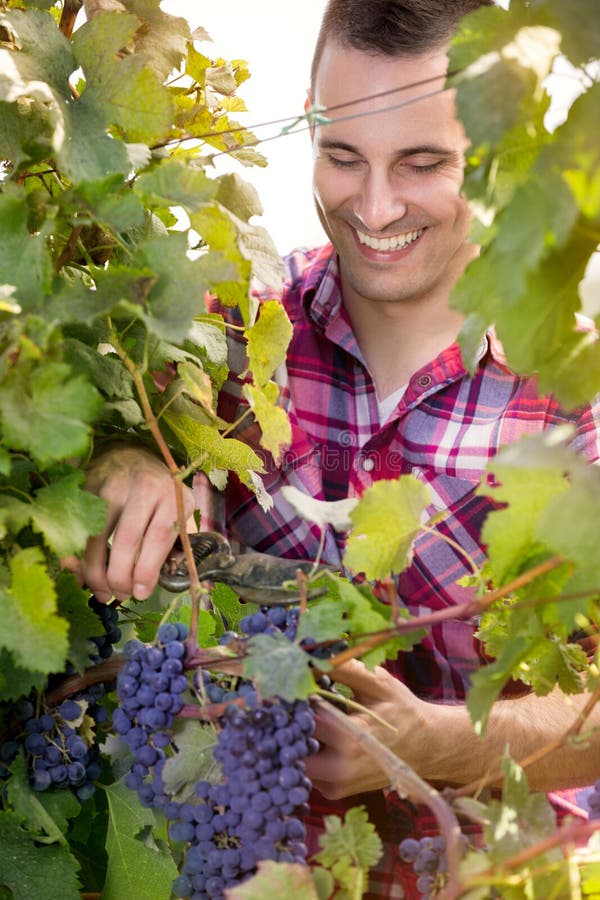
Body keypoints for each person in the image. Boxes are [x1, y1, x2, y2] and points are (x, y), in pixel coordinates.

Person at [68, 0, 600, 895]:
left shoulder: (575, 412)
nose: (376, 205)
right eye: (342, 156)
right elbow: (104, 436)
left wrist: (442, 743)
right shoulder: (229, 330)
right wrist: (127, 457)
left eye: (424, 163)